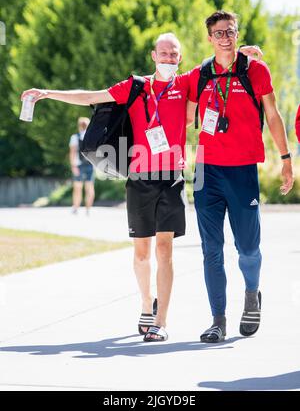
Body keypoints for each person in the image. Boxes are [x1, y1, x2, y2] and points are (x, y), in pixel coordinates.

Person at [21, 32, 260, 342]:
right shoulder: (135, 87)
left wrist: (243, 52)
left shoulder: (185, 83)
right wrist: (49, 93)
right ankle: (147, 304)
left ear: (180, 58)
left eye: (174, 54)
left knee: (165, 250)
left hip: (172, 179)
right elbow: (92, 96)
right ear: (153, 55)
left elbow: (217, 65)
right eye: (163, 53)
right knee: (142, 254)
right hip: (140, 179)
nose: (169, 59)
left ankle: (161, 321)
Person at [187, 11, 294, 343]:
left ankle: (251, 294)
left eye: (230, 32)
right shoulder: (199, 76)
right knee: (211, 249)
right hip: (206, 172)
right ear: (209, 38)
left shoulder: (256, 71)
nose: (225, 37)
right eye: (218, 33)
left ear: (236, 34)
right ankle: (217, 320)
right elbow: (179, 112)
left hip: (243, 170)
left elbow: (273, 115)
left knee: (248, 248)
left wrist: (287, 158)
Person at [69, 117, 95, 215]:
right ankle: (88, 209)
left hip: (78, 165)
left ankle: (76, 207)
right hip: (90, 164)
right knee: (89, 187)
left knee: (77, 188)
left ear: (79, 126)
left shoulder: (75, 137)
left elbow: (72, 152)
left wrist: (73, 166)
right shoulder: (92, 137)